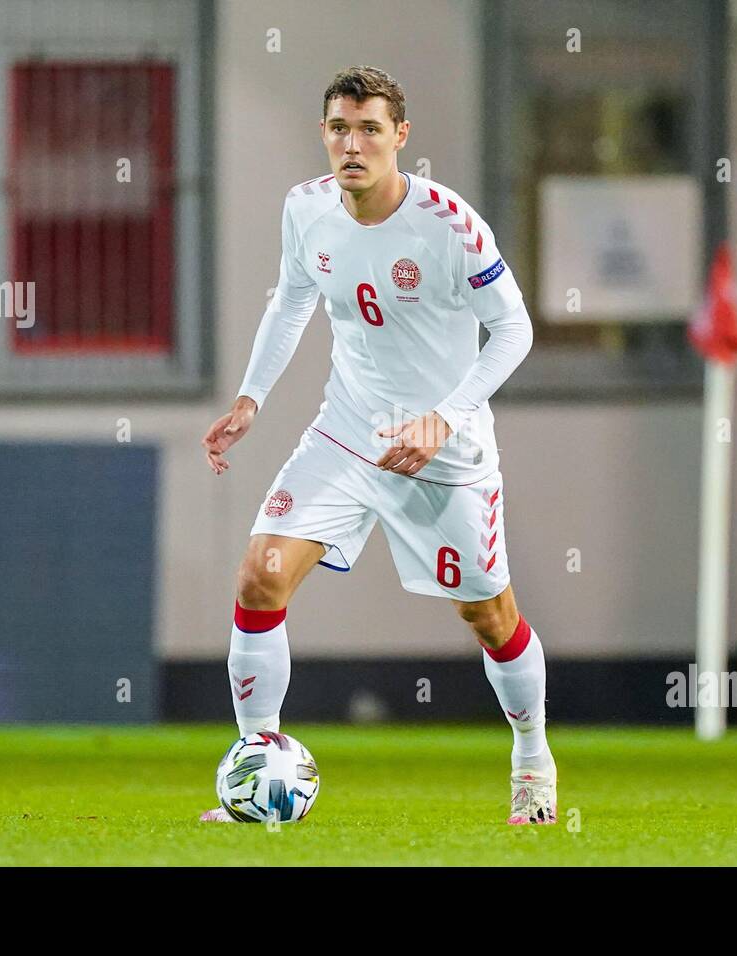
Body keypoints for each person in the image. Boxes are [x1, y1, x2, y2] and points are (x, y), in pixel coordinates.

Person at [200, 66, 555, 825]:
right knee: (260, 575)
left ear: (400, 136)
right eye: (338, 128)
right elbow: (293, 299)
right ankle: (256, 773)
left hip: (446, 457)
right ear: (323, 135)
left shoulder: (450, 224)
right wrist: (250, 398)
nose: (351, 144)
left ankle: (531, 752)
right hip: (348, 433)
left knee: (489, 617)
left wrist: (446, 419)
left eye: (368, 129)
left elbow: (515, 330)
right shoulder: (306, 210)